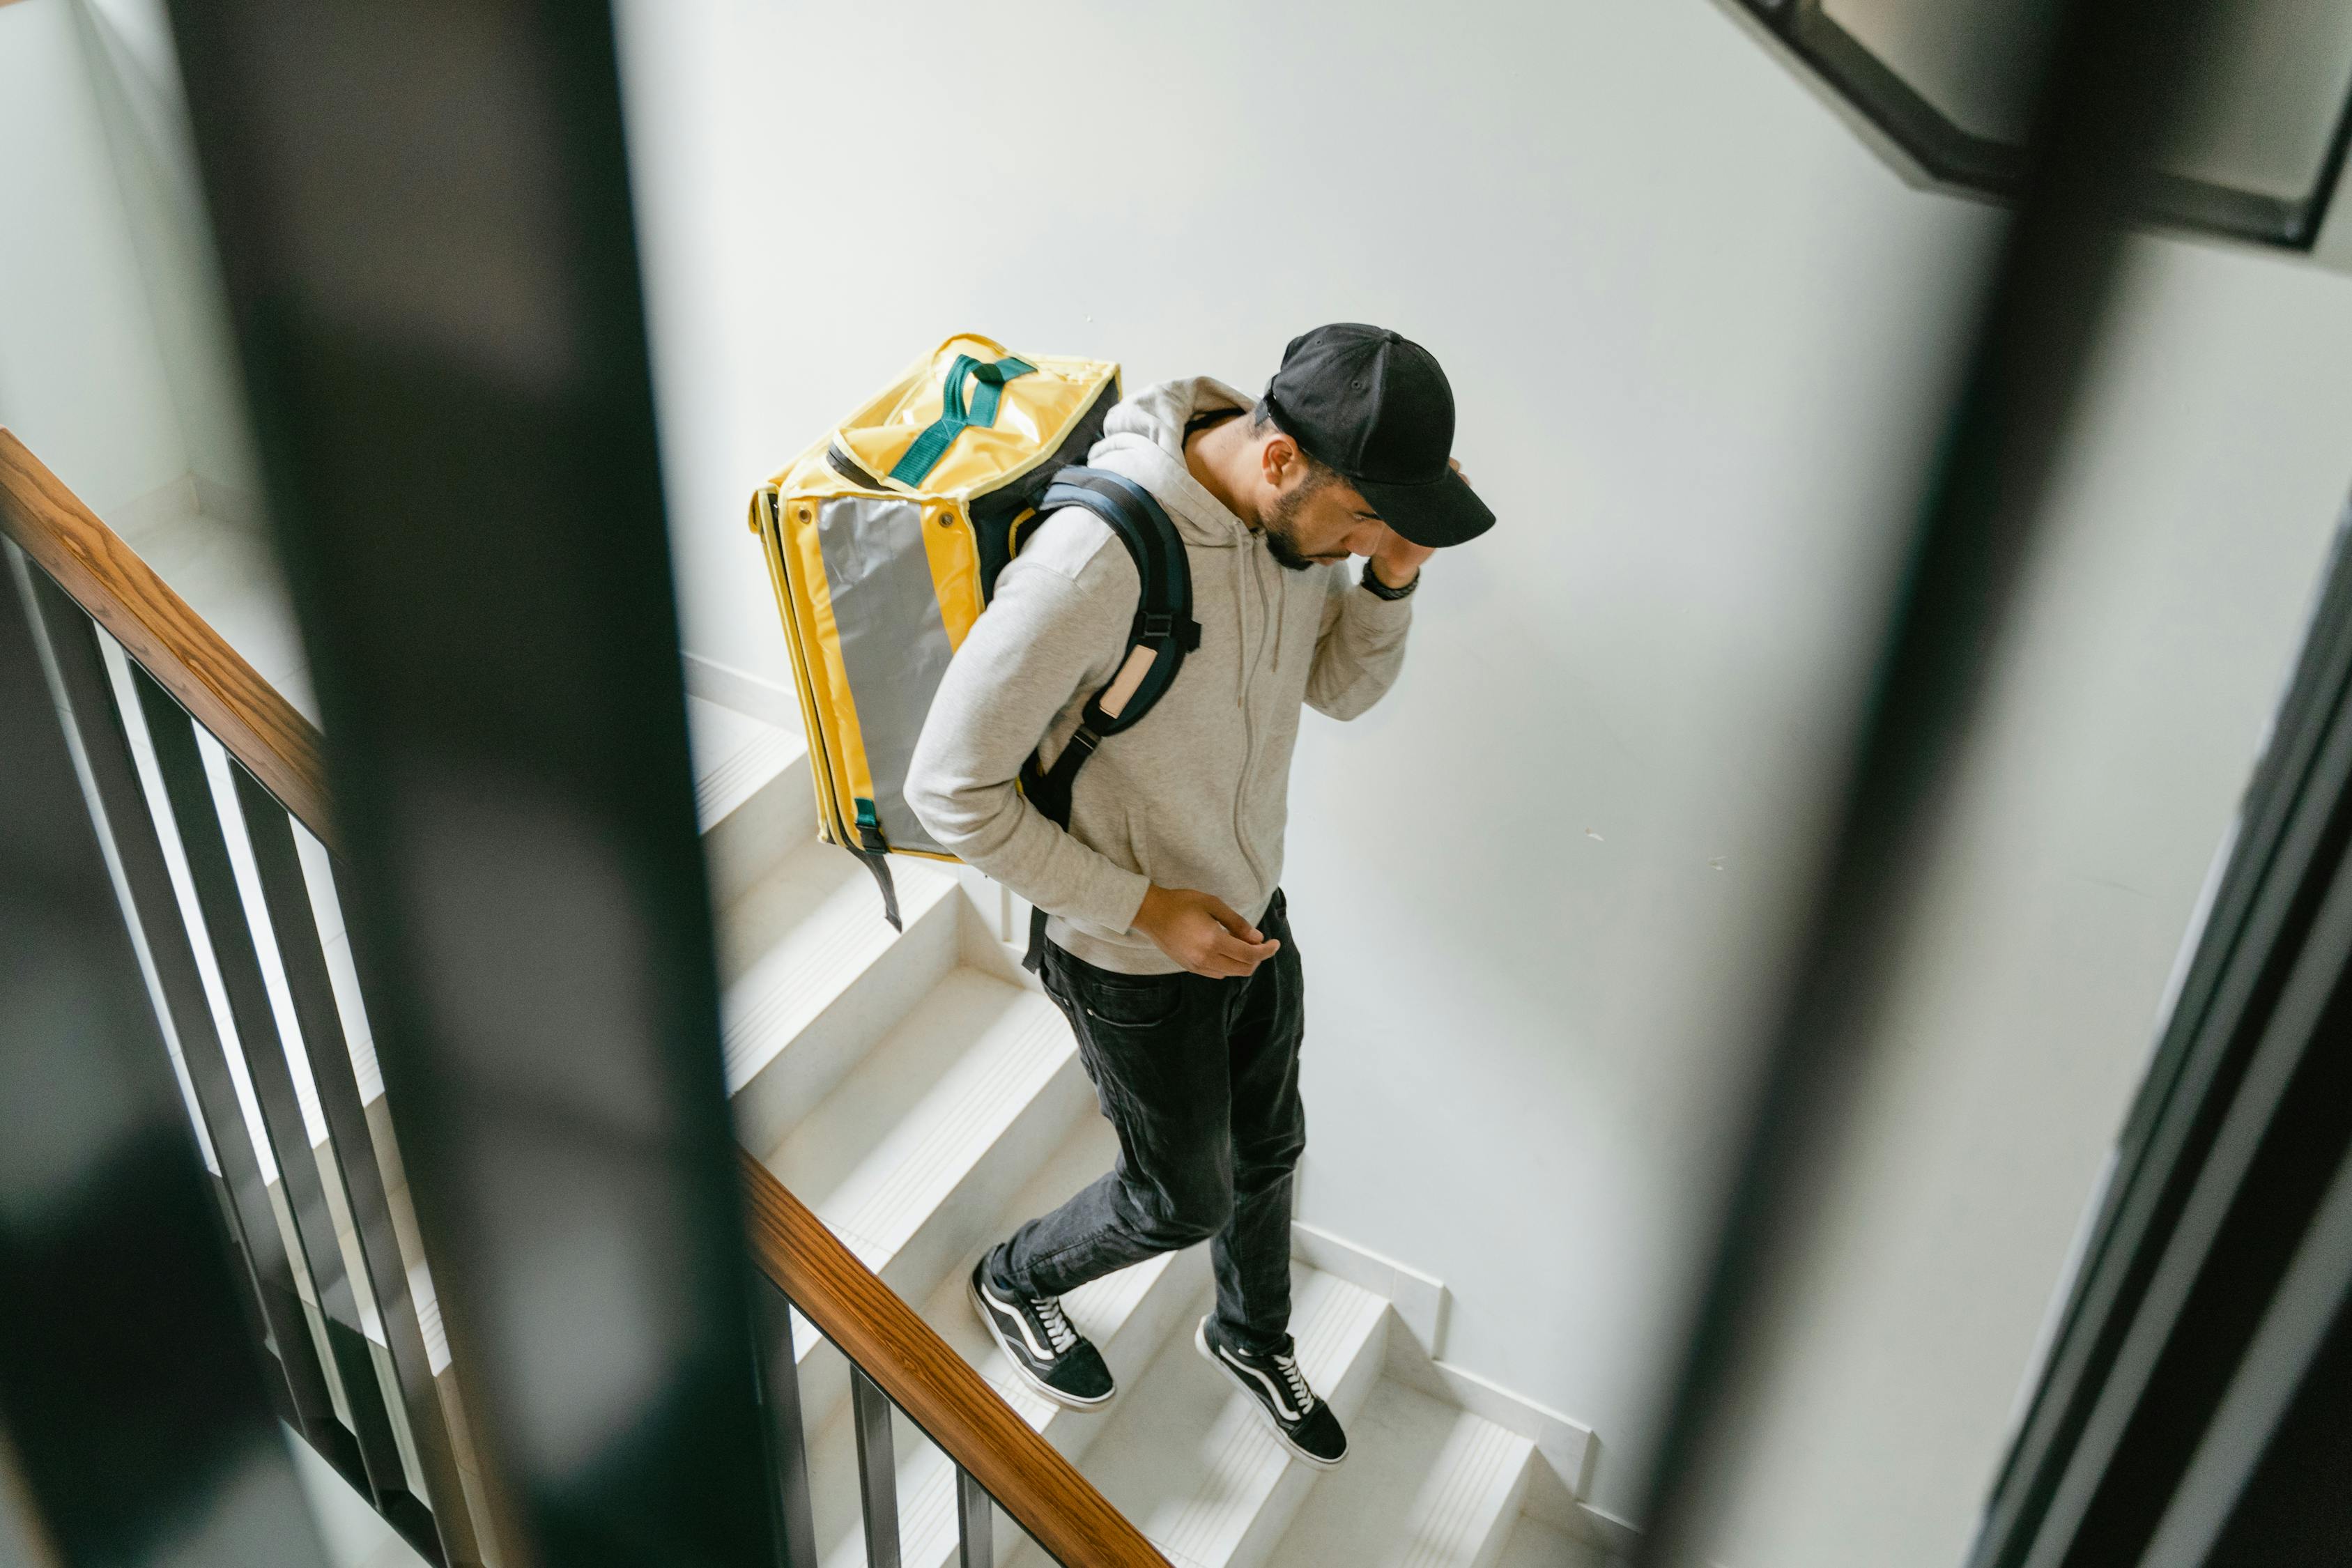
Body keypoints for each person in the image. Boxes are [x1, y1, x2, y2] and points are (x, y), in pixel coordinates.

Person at [904, 323, 1493, 1468]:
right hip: (1128, 955)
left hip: (1252, 918)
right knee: (1182, 1195)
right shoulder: (1098, 560)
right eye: (1365, 517)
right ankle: (1017, 1278)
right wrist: (1143, 909)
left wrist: (1390, 571)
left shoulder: (1299, 528)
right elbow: (949, 789)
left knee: (1272, 1146)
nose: (1366, 542)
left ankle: (1249, 1332)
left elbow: (1339, 688)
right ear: (1282, 464)